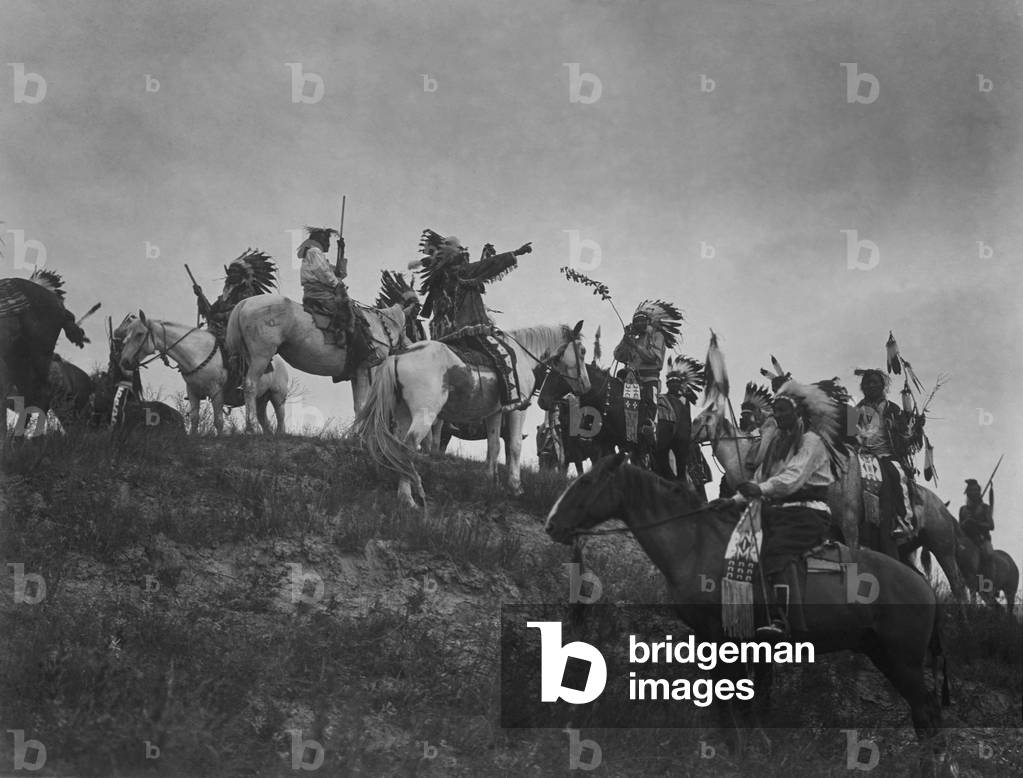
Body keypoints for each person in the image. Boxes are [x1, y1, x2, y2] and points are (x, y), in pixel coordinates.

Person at [711, 382, 842, 639]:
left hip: (807, 515)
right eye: (776, 410)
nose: (777, 415)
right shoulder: (777, 444)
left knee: (776, 549)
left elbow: (792, 477)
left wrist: (760, 490)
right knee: (739, 545)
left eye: (783, 410)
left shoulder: (812, 441)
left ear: (798, 413)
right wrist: (732, 501)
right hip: (778, 512)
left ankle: (783, 619)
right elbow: (759, 479)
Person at [409, 230, 533, 410]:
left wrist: (484, 258)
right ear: (454, 251)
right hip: (468, 331)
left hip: (442, 337)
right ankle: (511, 400)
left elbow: (481, 269)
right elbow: (488, 266)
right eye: (460, 248)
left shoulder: (439, 279)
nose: (463, 250)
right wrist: (516, 253)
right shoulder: (462, 271)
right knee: (505, 354)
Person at [193, 249, 277, 396]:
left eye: (234, 272)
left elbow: (241, 311)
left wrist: (222, 316)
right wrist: (201, 296)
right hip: (219, 328)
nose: (230, 275)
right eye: (229, 273)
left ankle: (240, 382)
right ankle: (199, 382)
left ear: (242, 274)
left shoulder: (247, 291)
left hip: (238, 329)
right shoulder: (225, 295)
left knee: (235, 352)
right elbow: (211, 312)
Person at [853, 368, 924, 542]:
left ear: (883, 385)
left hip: (886, 455)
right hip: (862, 457)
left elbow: (905, 436)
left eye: (875, 382)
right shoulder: (854, 411)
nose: (871, 385)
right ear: (862, 386)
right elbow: (850, 437)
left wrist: (915, 428)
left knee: (896, 474)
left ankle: (904, 520)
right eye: (867, 382)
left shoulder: (893, 409)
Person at [613, 300, 682, 460]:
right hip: (632, 380)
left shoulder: (657, 336)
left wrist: (636, 347)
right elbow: (618, 356)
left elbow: (653, 358)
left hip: (650, 378)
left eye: (641, 320)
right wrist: (625, 339)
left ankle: (651, 427)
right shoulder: (634, 339)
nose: (638, 323)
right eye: (636, 321)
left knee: (651, 401)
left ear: (648, 321)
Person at [959, 478, 995, 585]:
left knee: (988, 554)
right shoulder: (963, 510)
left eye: (975, 490)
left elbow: (991, 526)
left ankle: (988, 584)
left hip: (981, 540)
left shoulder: (985, 508)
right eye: (971, 490)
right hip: (967, 540)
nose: (973, 492)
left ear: (979, 492)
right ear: (967, 493)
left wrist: (976, 523)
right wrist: (965, 523)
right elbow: (959, 527)